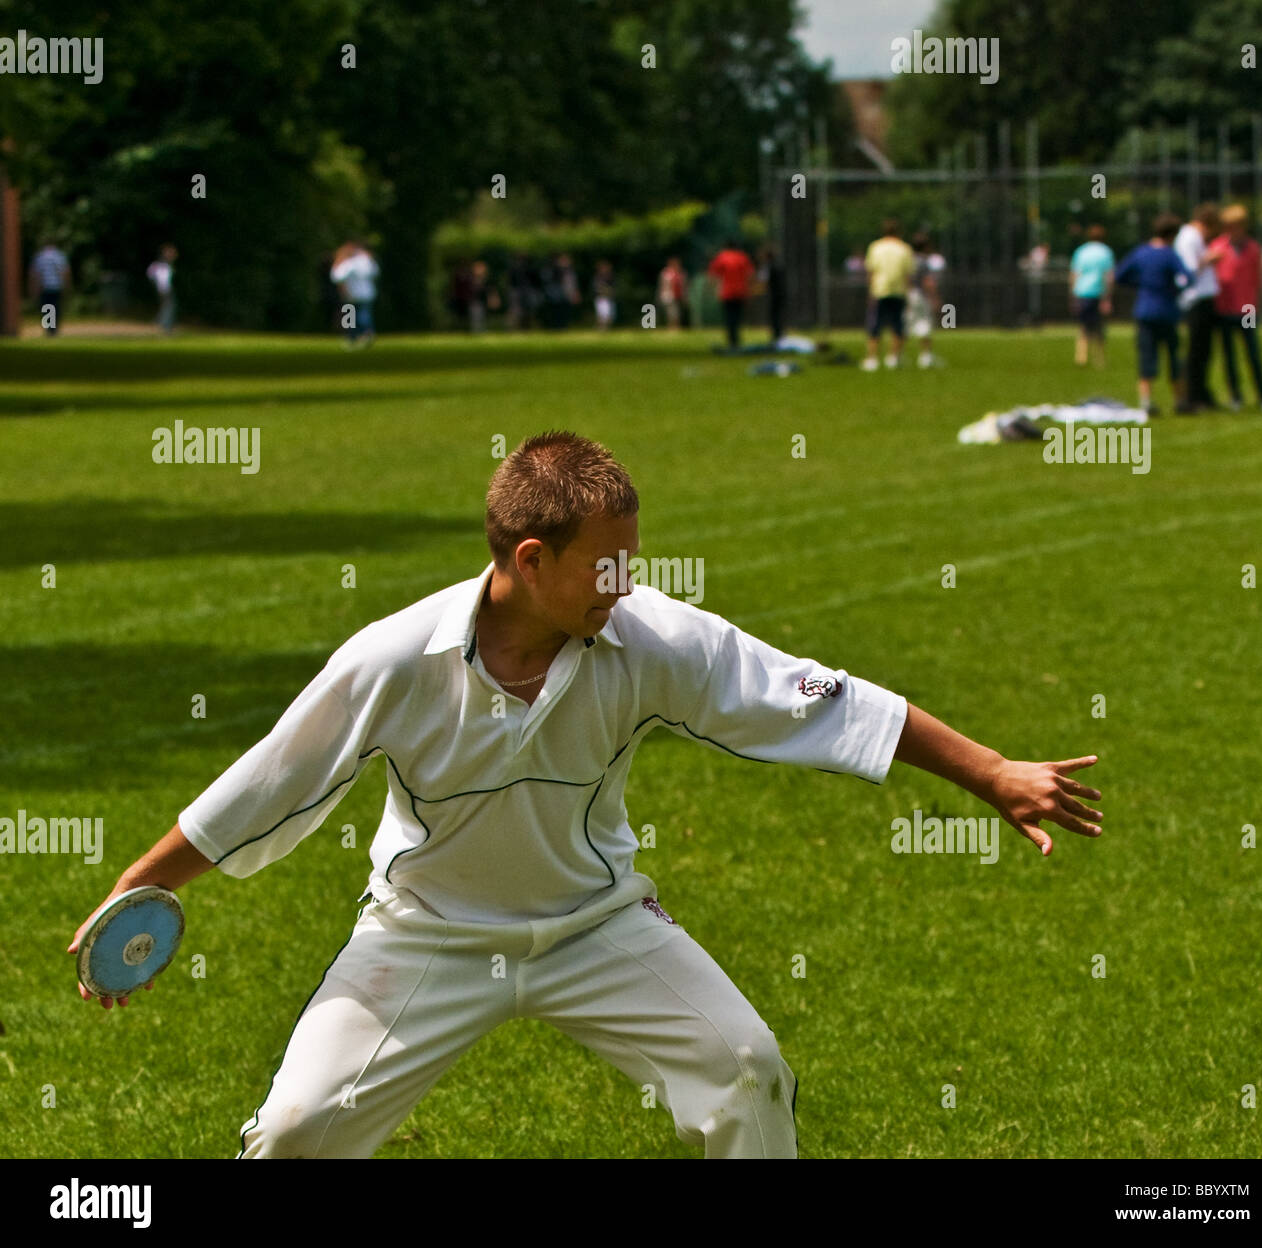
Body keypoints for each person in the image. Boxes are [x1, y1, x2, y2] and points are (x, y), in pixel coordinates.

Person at [68, 431, 1104, 1160]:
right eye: (605, 567)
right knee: (296, 1133)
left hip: (595, 927)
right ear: (530, 558)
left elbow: (815, 699)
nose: (626, 585)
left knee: (744, 1069)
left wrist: (992, 773)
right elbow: (266, 786)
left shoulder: (646, 637)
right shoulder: (390, 661)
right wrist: (136, 891)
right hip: (426, 936)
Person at [1114, 212, 1193, 416]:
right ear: (1172, 235)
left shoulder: (1140, 252)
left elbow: (1120, 275)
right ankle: (1179, 400)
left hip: (1144, 311)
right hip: (1167, 312)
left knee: (1147, 357)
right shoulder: (1169, 254)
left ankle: (1146, 401)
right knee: (1174, 357)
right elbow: (1187, 278)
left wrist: (1140, 284)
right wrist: (1175, 290)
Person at [1211, 205, 1262, 412]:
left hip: (1247, 308)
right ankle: (1235, 396)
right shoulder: (1218, 247)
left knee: (1252, 352)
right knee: (1229, 355)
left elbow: (1260, 278)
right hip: (1225, 307)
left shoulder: (1253, 248)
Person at [1174, 204, 1229, 411]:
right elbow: (1190, 269)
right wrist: (1211, 257)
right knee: (1196, 351)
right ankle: (1192, 396)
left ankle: (1201, 393)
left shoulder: (1192, 237)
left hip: (1203, 299)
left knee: (1204, 351)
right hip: (1196, 300)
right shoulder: (1190, 237)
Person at [861, 218, 914, 371]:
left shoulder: (875, 247)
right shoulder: (904, 248)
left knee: (874, 325)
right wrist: (908, 292)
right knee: (897, 324)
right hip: (898, 290)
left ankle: (872, 359)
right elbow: (907, 274)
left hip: (880, 290)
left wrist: (870, 291)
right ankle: (893, 357)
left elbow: (871, 271)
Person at [1069, 225, 1115, 368]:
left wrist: (1072, 294)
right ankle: (1099, 358)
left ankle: (1081, 356)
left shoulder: (1081, 251)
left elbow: (1075, 274)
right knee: (1098, 326)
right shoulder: (1106, 252)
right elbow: (1109, 276)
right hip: (1098, 292)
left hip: (1082, 291)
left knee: (1083, 325)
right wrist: (1107, 298)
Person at [906, 232, 946, 369]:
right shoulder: (923, 262)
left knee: (906, 324)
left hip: (908, 293)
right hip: (920, 295)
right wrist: (935, 298)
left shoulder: (909, 260)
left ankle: (896, 355)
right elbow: (928, 282)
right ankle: (925, 357)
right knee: (925, 323)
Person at [707, 239, 755, 351]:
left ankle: (731, 341)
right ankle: (736, 340)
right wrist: (750, 290)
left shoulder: (722, 257)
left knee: (729, 317)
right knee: (737, 317)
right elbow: (750, 274)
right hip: (740, 291)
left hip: (727, 292)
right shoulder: (742, 257)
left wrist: (713, 289)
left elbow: (713, 274)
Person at [331, 240, 380, 347]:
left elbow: (337, 277)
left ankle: (351, 338)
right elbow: (375, 273)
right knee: (364, 316)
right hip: (367, 294)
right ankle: (366, 334)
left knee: (350, 318)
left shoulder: (348, 263)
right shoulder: (367, 260)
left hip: (351, 294)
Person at [28, 238, 71, 336]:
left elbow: (35, 273)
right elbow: (65, 272)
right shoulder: (59, 256)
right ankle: (54, 329)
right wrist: (66, 285)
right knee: (56, 308)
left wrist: (34, 288)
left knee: (46, 308)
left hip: (44, 286)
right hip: (56, 286)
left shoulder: (40, 256)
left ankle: (48, 329)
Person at [755, 244, 786, 342]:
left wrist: (755, 291)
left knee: (774, 316)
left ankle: (776, 337)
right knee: (779, 315)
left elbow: (762, 280)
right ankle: (779, 336)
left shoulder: (767, 266)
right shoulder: (779, 264)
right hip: (782, 293)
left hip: (774, 294)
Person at [146, 244, 179, 334]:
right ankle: (165, 326)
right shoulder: (164, 265)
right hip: (165, 289)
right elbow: (163, 280)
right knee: (169, 306)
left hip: (161, 289)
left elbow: (150, 274)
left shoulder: (158, 264)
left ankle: (161, 323)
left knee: (166, 306)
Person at [656, 256, 686, 331]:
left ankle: (674, 328)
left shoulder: (680, 273)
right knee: (672, 313)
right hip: (668, 296)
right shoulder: (666, 273)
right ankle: (672, 328)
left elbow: (683, 285)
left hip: (677, 296)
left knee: (676, 313)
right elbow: (663, 285)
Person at [592, 259, 615, 330]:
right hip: (601, 298)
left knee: (610, 315)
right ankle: (601, 328)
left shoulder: (610, 277)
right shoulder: (597, 278)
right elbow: (596, 288)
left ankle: (606, 328)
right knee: (602, 315)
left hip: (609, 298)